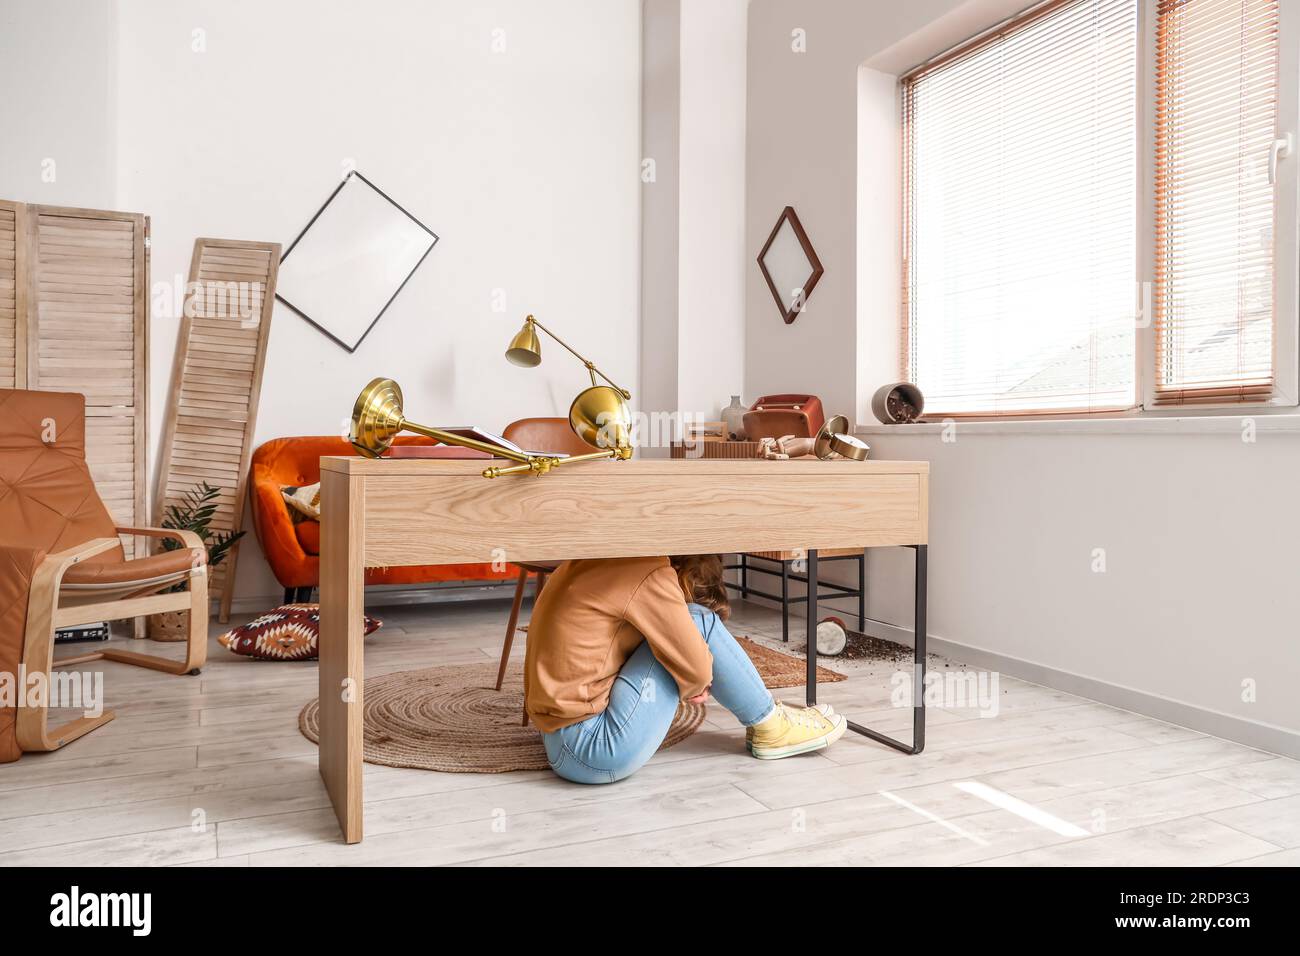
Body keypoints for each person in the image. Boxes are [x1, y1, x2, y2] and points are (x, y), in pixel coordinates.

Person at [523, 554, 847, 784]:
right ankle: (771, 725)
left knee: (673, 636)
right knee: (698, 620)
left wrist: (685, 670)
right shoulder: (647, 569)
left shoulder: (597, 556)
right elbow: (697, 670)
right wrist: (694, 680)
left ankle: (770, 721)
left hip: (559, 740)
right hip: (594, 751)